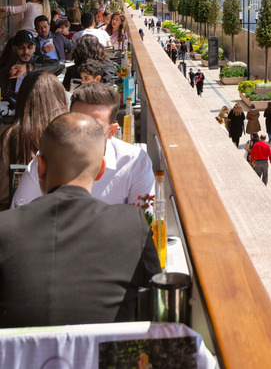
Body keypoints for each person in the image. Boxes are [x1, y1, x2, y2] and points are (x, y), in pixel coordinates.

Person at [0, 113, 161, 328]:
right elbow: (156, 305)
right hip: (108, 360)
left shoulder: (5, 228)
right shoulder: (132, 225)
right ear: (100, 170)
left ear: (40, 166)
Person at [12, 83, 155, 209]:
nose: (82, 134)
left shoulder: (135, 162)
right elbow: (21, 215)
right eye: (75, 124)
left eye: (95, 128)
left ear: (112, 131)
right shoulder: (47, 159)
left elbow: (144, 221)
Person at [0, 72, 68, 209]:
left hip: (17, 216)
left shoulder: (10, 136)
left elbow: (3, 193)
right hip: (63, 214)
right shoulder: (69, 134)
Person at [0, 30, 64, 100]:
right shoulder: (9, 67)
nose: (26, 51)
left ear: (34, 48)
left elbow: (60, 66)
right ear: (14, 48)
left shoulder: (40, 60)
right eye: (21, 47)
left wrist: (28, 68)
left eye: (29, 47)